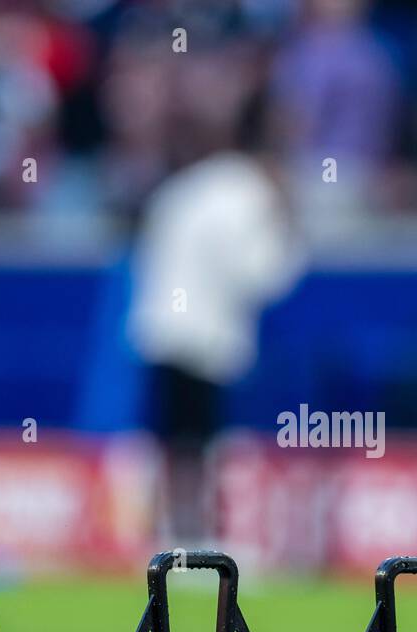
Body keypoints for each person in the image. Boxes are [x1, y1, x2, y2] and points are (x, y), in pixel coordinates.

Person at [126, 97, 304, 542]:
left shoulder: (186, 188)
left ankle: (167, 536)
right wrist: (288, 221)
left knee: (172, 444)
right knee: (199, 447)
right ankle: (194, 540)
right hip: (205, 338)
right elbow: (263, 276)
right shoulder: (250, 196)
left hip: (160, 329)